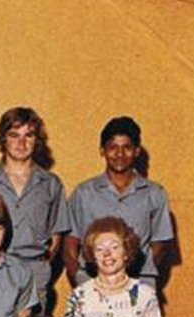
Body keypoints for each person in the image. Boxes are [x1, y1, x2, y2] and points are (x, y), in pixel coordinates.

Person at [0, 107, 68, 313]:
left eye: (29, 135)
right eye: (14, 135)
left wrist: (37, 266)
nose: (21, 143)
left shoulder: (51, 184)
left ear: (37, 140)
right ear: (3, 139)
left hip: (34, 274)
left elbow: (55, 240)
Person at [63, 116, 175, 288]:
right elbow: (70, 244)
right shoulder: (83, 193)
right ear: (102, 151)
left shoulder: (154, 193)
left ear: (137, 150)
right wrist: (82, 281)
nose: (120, 154)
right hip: (93, 282)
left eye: (127, 148)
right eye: (113, 147)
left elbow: (160, 242)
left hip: (139, 283)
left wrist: (141, 279)